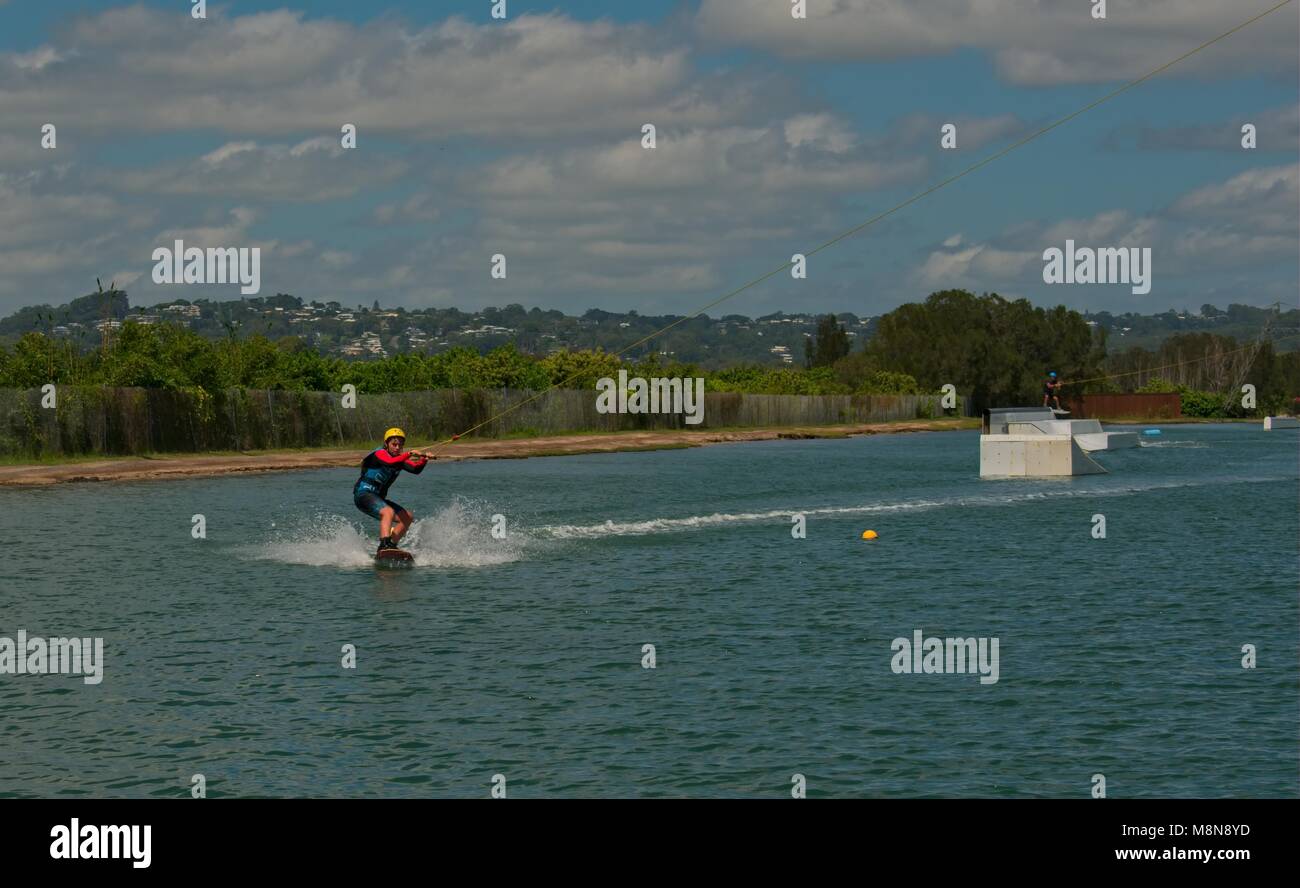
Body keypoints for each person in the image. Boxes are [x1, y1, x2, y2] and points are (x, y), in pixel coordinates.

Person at [353, 428, 428, 553]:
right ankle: (384, 545)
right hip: (363, 495)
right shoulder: (379, 454)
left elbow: (415, 469)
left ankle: (391, 545)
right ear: (386, 444)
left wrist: (424, 459)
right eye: (394, 444)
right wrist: (409, 454)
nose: (397, 447)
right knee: (388, 512)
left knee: (407, 517)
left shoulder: (399, 459)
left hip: (377, 498)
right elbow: (389, 462)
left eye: (400, 445)